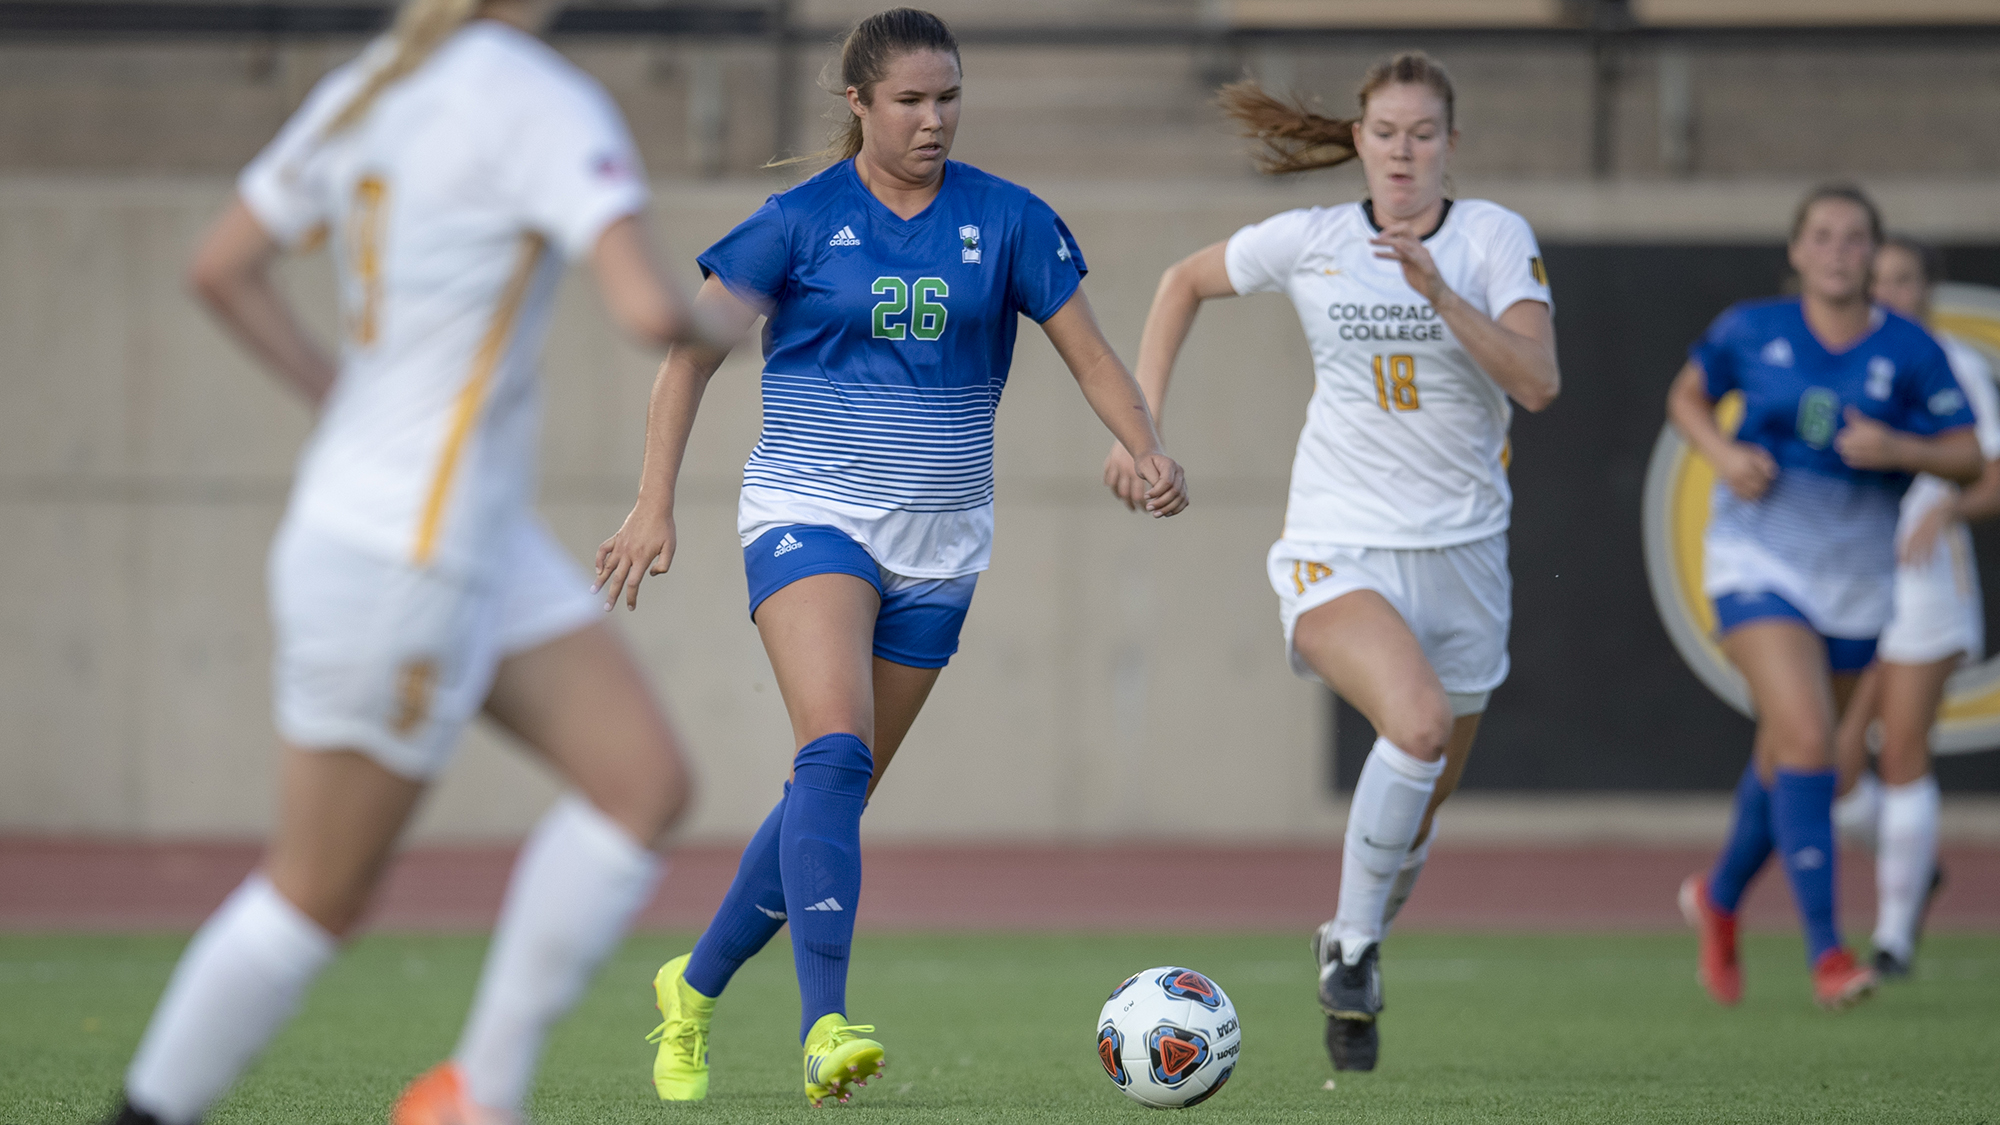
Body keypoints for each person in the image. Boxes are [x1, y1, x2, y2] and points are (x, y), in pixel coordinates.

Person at [106, 1, 721, 1122]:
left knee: (641, 782)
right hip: (408, 554)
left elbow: (219, 266)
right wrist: (750, 315)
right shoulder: (537, 97)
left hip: (458, 532)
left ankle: (474, 1099)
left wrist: (341, 396)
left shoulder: (375, 82)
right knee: (315, 898)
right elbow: (645, 308)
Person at [591, 7, 1187, 1108]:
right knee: (831, 752)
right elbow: (686, 357)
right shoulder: (800, 222)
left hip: (943, 541)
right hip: (808, 515)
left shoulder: (1008, 220)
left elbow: (1091, 356)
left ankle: (694, 985)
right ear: (857, 103)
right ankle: (825, 1029)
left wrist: (1142, 446)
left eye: (949, 97)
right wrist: (651, 507)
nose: (933, 120)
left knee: (832, 789)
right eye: (910, 100)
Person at [1102, 53, 1559, 1072]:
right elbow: (1181, 281)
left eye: (1422, 134)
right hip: (1334, 545)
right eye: (1385, 132)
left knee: (1419, 806)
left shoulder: (1489, 240)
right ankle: (1351, 951)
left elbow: (1535, 382)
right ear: (1355, 140)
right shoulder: (1309, 241)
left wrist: (1439, 293)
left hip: (1465, 558)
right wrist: (1139, 427)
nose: (1402, 152)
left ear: (1449, 144)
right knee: (1418, 722)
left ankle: (1354, 933)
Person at [1672, 187, 1981, 1013]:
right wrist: (1721, 452)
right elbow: (1686, 396)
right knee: (1812, 741)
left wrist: (1899, 447)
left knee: (1788, 757)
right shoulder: (1752, 327)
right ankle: (1829, 952)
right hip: (1756, 558)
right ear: (1798, 252)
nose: (1840, 251)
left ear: (1873, 256)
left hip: (1859, 579)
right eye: (1823, 236)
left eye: (1855, 239)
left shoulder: (1912, 351)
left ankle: (1720, 895)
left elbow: (1966, 456)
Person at [1830, 236, 2000, 977]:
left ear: (1927, 288)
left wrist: (1952, 508)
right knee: (1829, 764)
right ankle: (1915, 862)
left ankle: (1894, 936)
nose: (1890, 291)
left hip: (1925, 581)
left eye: (1904, 278)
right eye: (1879, 278)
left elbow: (1991, 471)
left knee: (1900, 748)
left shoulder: (1950, 366)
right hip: (1851, 579)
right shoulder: (1850, 363)